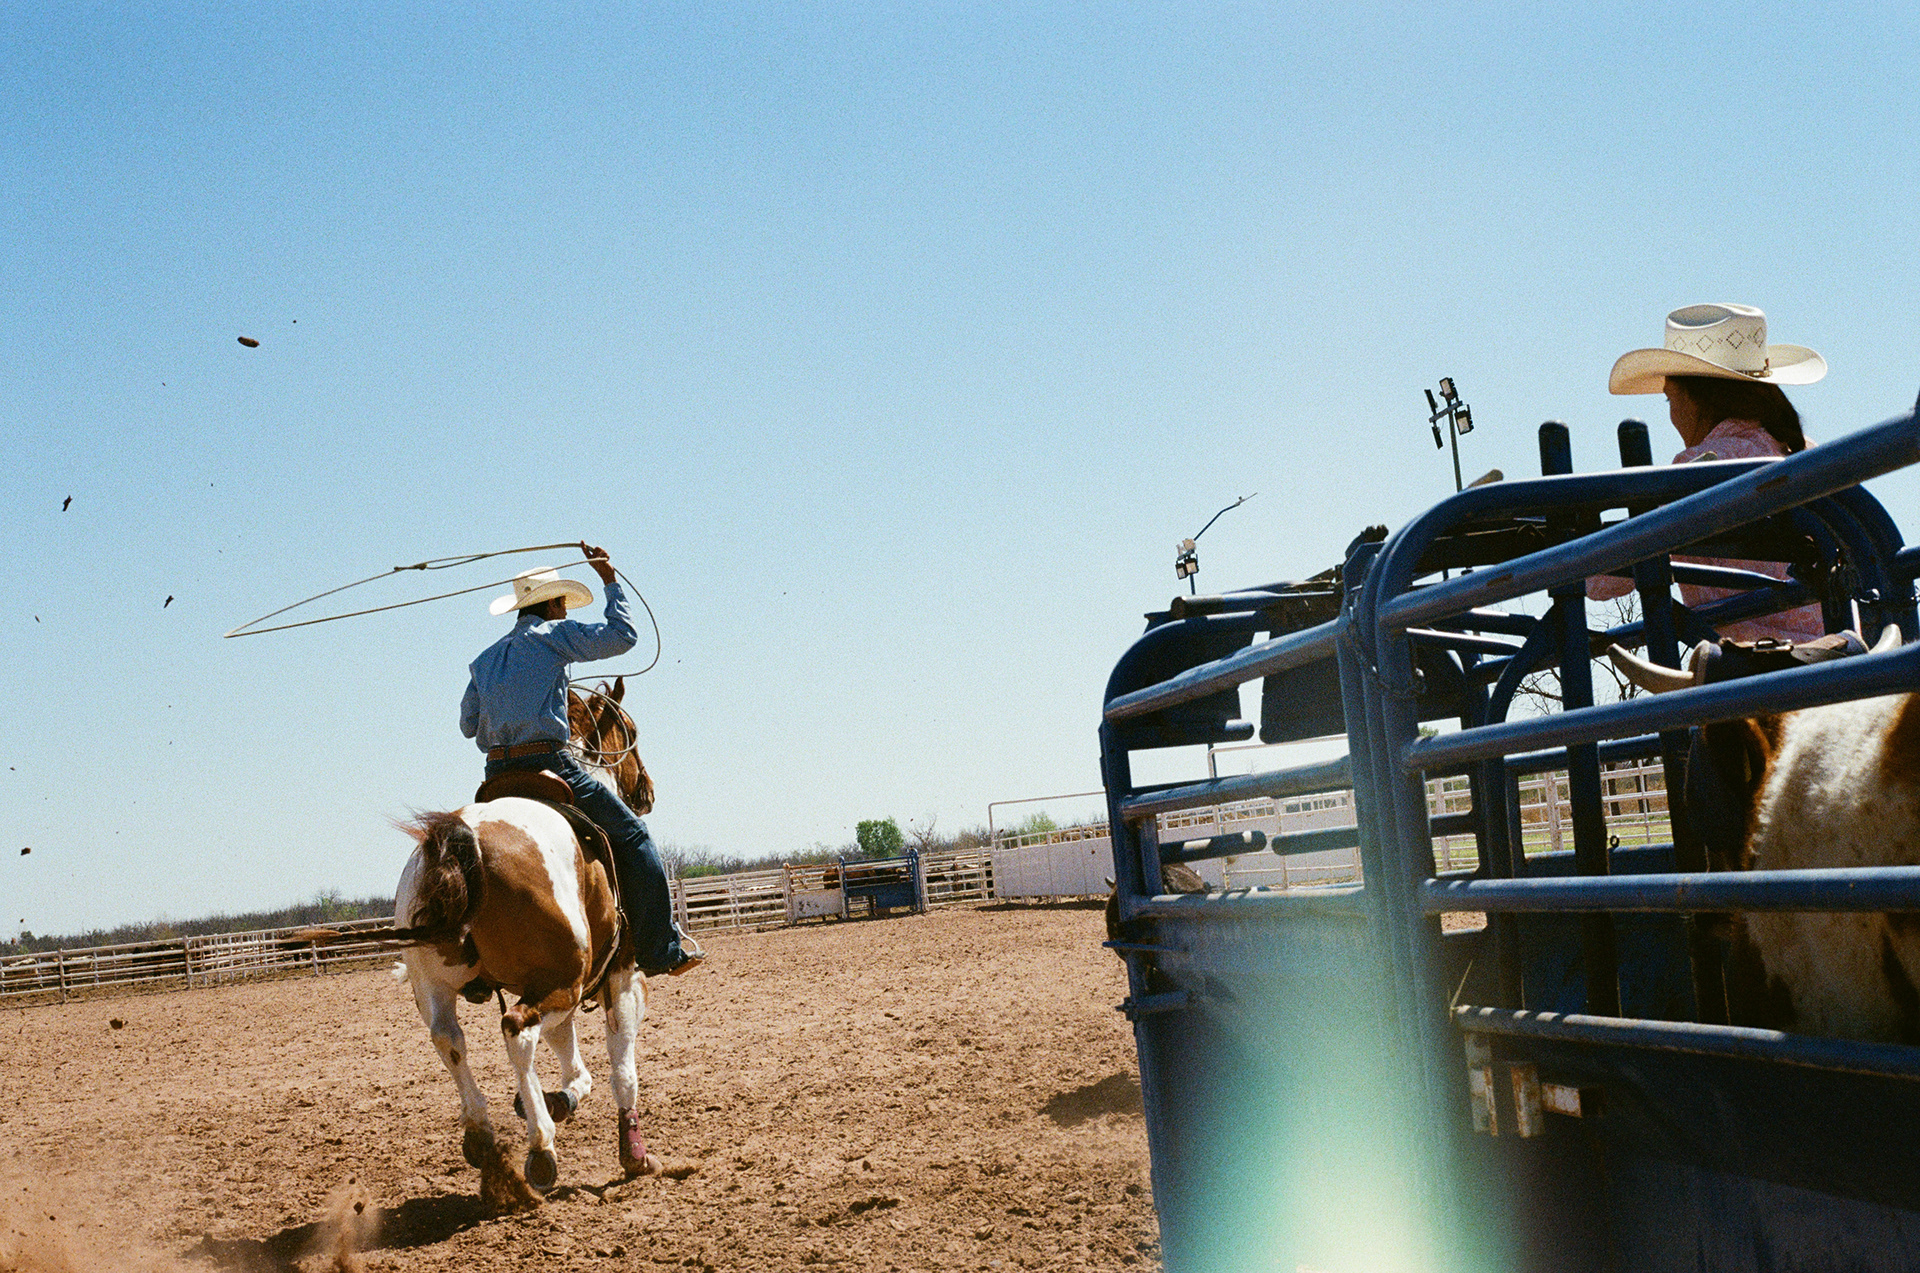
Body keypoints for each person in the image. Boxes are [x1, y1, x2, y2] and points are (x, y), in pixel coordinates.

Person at [460, 543, 703, 977]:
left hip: (496, 772)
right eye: (562, 603)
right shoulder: (554, 637)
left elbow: (467, 725)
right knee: (634, 837)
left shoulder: (483, 659)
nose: (564, 610)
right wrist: (609, 578)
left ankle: (475, 963)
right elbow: (623, 637)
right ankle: (660, 949)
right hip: (549, 763)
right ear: (551, 604)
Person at [1594, 302, 1827, 644]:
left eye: (1670, 400)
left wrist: (1561, 555)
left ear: (1698, 399)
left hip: (1750, 670)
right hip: (1839, 656)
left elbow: (1602, 580)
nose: (1672, 415)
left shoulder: (1702, 469)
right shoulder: (1807, 455)